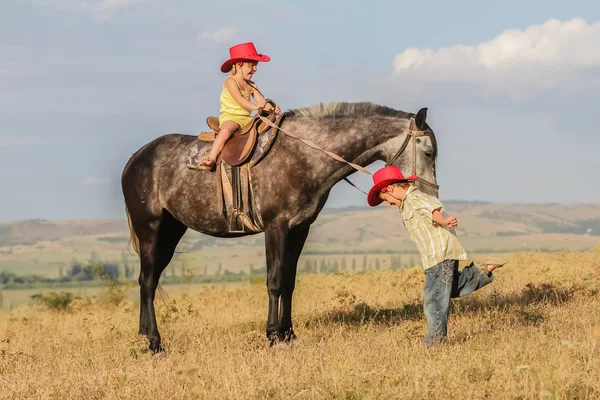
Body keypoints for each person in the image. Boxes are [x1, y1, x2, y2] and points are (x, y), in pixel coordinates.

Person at [367, 165, 507, 346]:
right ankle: (483, 270)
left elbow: (433, 211)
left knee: (434, 300)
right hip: (438, 255)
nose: (389, 205)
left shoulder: (415, 198)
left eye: (387, 200)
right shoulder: (407, 204)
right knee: (448, 289)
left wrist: (445, 221)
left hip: (439, 255)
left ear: (392, 188)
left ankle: (436, 341)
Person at [201, 42, 281, 170]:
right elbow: (239, 100)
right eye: (252, 65)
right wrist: (256, 107)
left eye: (256, 65)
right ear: (239, 65)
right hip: (231, 117)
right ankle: (212, 158)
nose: (255, 69)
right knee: (226, 130)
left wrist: (271, 108)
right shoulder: (230, 81)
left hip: (247, 120)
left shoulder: (252, 84)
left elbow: (262, 101)